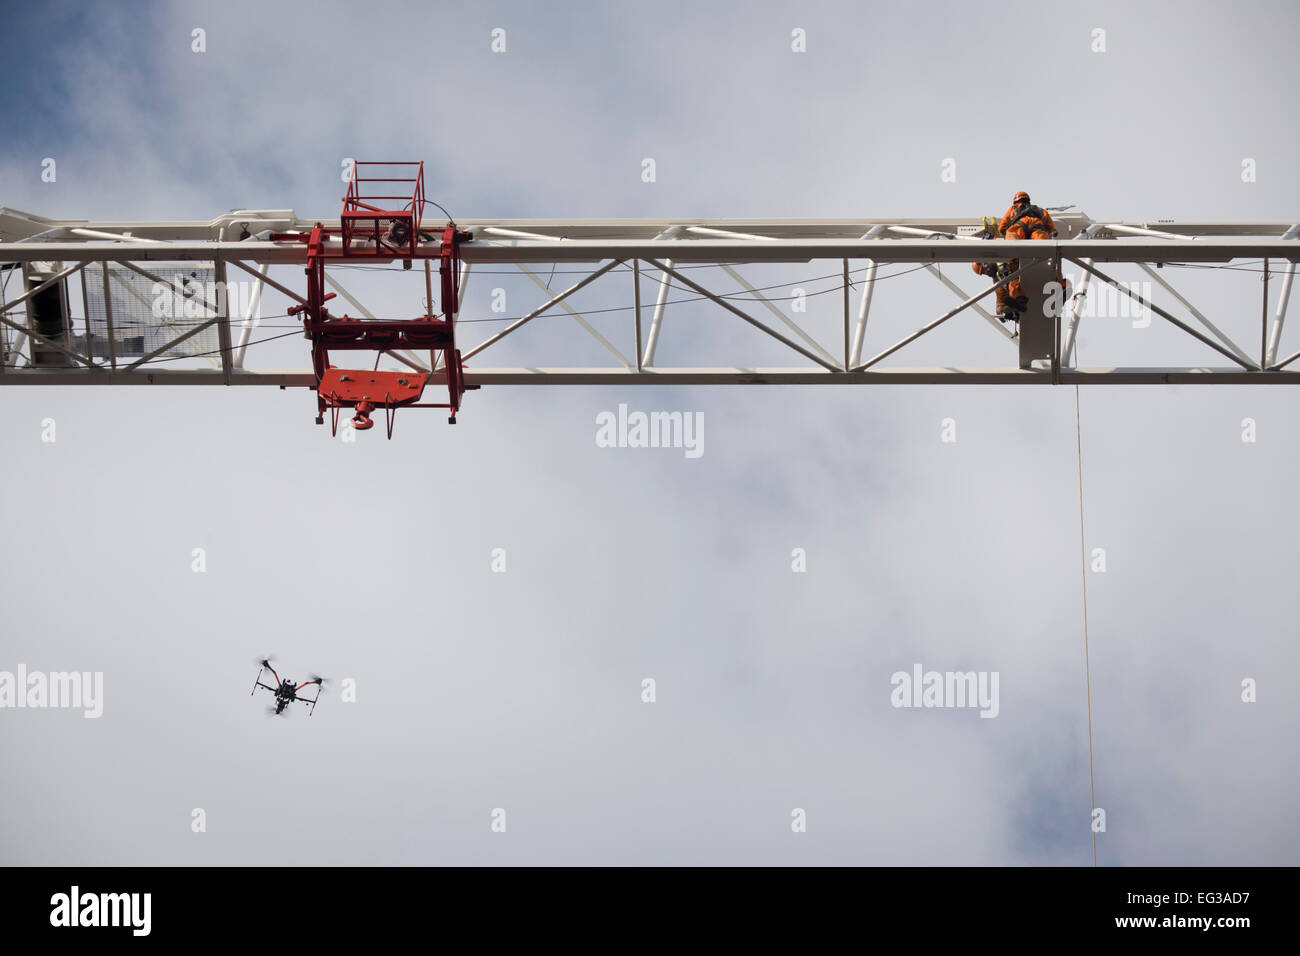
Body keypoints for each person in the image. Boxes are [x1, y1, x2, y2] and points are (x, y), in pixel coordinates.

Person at [998, 191, 1056, 302]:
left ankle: (1017, 295)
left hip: (1018, 227)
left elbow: (1002, 228)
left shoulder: (1012, 209)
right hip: (1037, 226)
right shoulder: (1039, 210)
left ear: (1015, 200)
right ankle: (1059, 285)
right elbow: (1050, 227)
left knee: (1012, 253)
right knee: (1043, 251)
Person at [970, 216, 1018, 323]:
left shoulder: (1001, 257)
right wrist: (1001, 312)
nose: (987, 273)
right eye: (984, 273)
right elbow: (1000, 298)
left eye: (985, 269)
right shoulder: (998, 281)